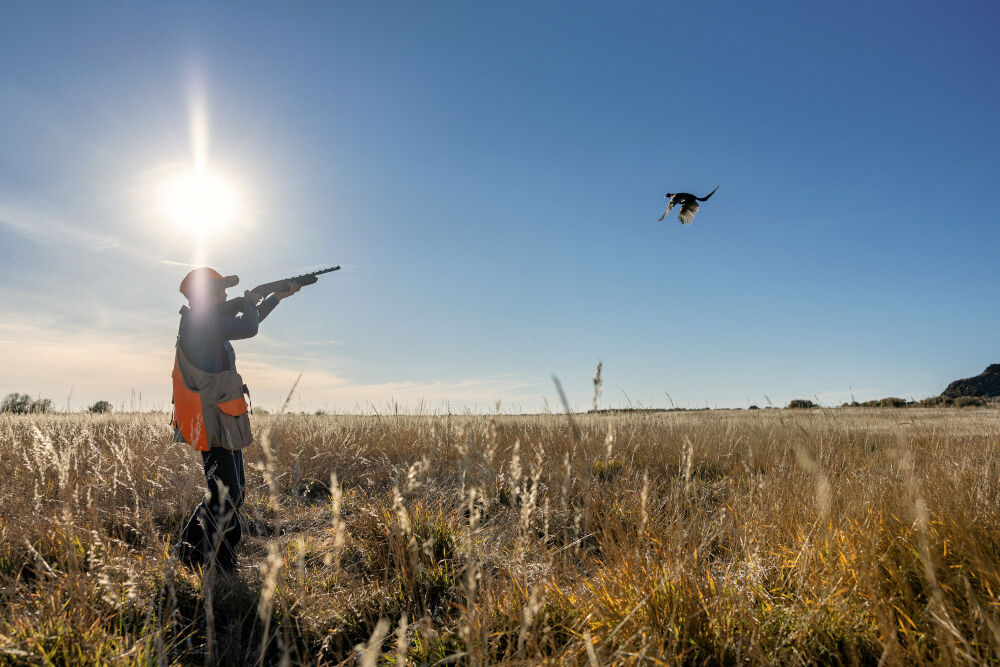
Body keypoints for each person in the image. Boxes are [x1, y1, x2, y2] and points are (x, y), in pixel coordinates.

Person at [171, 267, 299, 571]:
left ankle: (190, 553)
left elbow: (243, 323)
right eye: (220, 290)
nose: (226, 295)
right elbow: (248, 328)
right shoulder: (199, 322)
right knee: (226, 492)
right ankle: (219, 562)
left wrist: (274, 298)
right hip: (211, 419)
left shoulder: (206, 322)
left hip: (221, 417)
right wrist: (251, 301)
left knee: (231, 490)